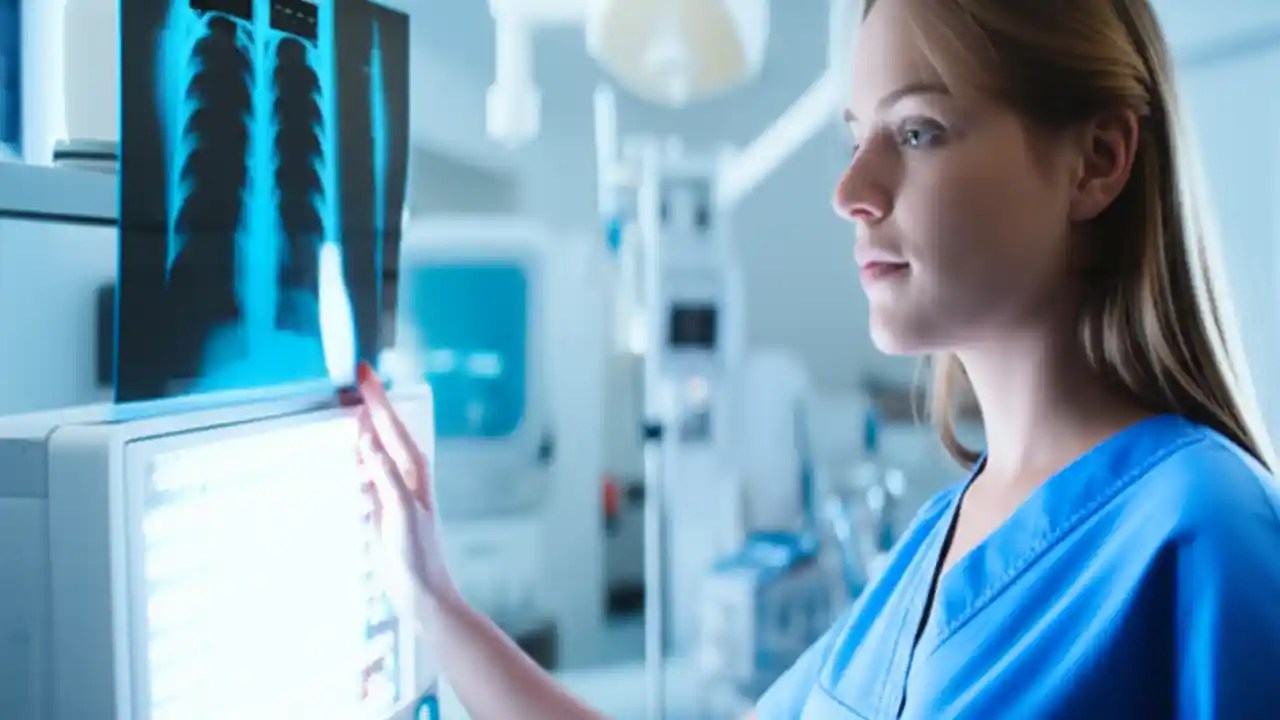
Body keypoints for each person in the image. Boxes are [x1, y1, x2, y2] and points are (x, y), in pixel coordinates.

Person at [352, 0, 1280, 716]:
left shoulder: (1203, 532)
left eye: (917, 132)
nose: (850, 190)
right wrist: (433, 600)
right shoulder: (933, 546)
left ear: (1098, 160)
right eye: (854, 138)